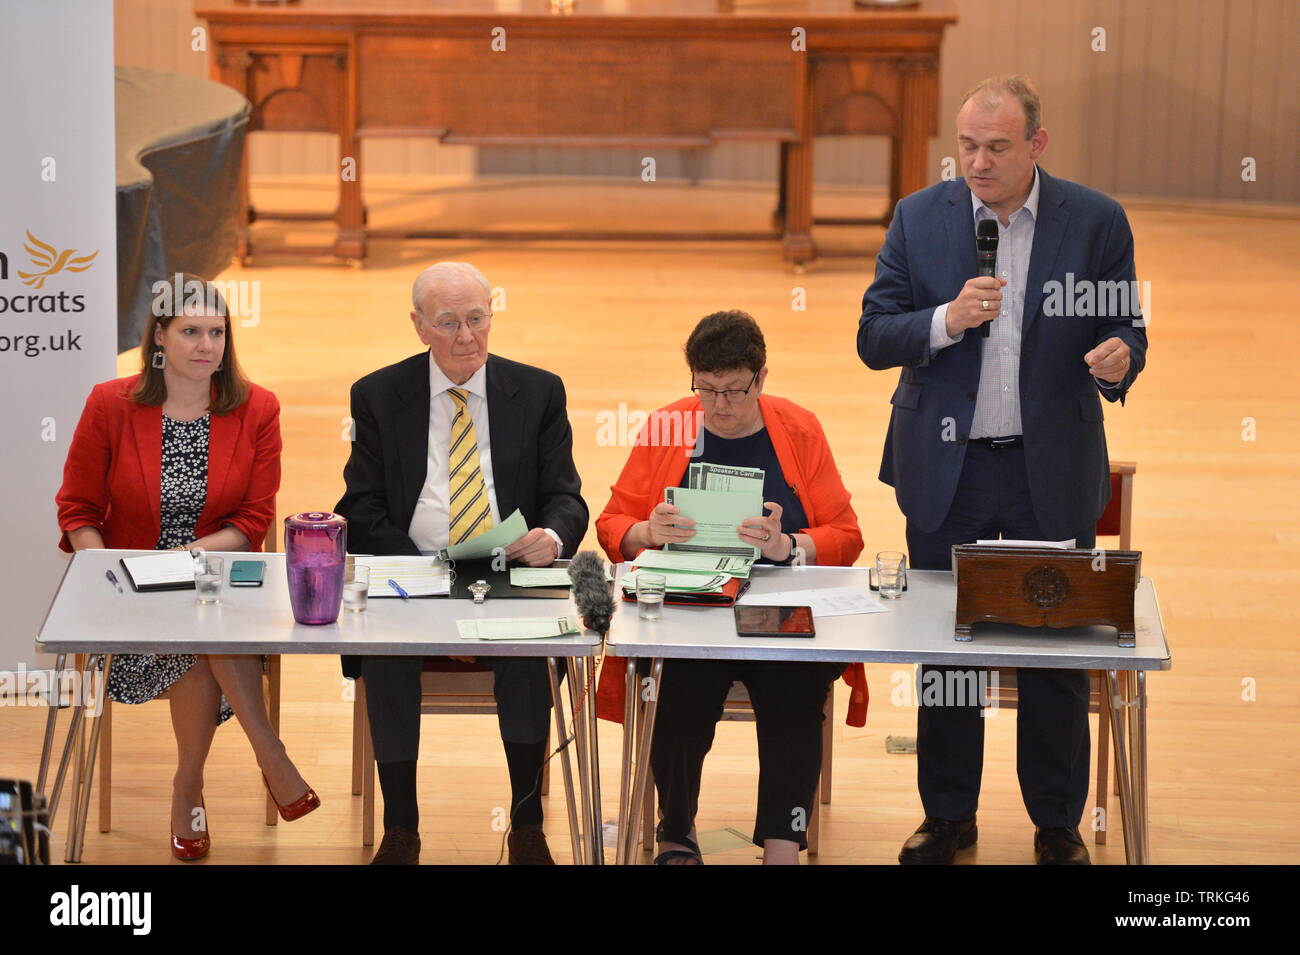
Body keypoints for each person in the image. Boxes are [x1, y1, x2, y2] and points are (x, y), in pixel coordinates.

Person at [857, 75, 1148, 865]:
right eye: (967, 146)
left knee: (1052, 652)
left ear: (1036, 146)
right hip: (944, 470)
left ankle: (1055, 823)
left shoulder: (1094, 222)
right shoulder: (921, 218)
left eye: (996, 147)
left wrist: (1123, 355)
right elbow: (875, 335)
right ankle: (948, 815)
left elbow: (1128, 324)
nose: (977, 163)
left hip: (1044, 469)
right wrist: (947, 319)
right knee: (945, 653)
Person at [56, 273, 318, 862]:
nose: (207, 346)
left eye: (218, 333)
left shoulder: (257, 409)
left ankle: (187, 789)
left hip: (213, 569)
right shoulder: (110, 403)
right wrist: (112, 570)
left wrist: (184, 560)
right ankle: (267, 753)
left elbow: (253, 519)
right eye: (191, 332)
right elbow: (77, 507)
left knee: (205, 620)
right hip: (126, 584)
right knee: (205, 634)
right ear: (159, 340)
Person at [336, 261, 588, 865]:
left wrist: (552, 536)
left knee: (527, 655)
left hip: (507, 572)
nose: (467, 336)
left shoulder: (539, 391)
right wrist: (434, 574)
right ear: (419, 326)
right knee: (386, 653)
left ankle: (526, 825)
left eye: (477, 319)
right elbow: (361, 510)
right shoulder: (377, 395)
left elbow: (567, 497)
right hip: (414, 571)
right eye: (448, 323)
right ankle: (401, 829)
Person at [595, 310, 866, 865]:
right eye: (706, 389)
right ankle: (676, 831)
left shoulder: (799, 427)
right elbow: (611, 523)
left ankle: (783, 840)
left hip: (775, 602)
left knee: (796, 689)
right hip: (691, 605)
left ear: (761, 379)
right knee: (673, 688)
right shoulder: (669, 424)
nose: (718, 405)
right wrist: (646, 531)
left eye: (734, 391)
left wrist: (788, 545)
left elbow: (846, 534)